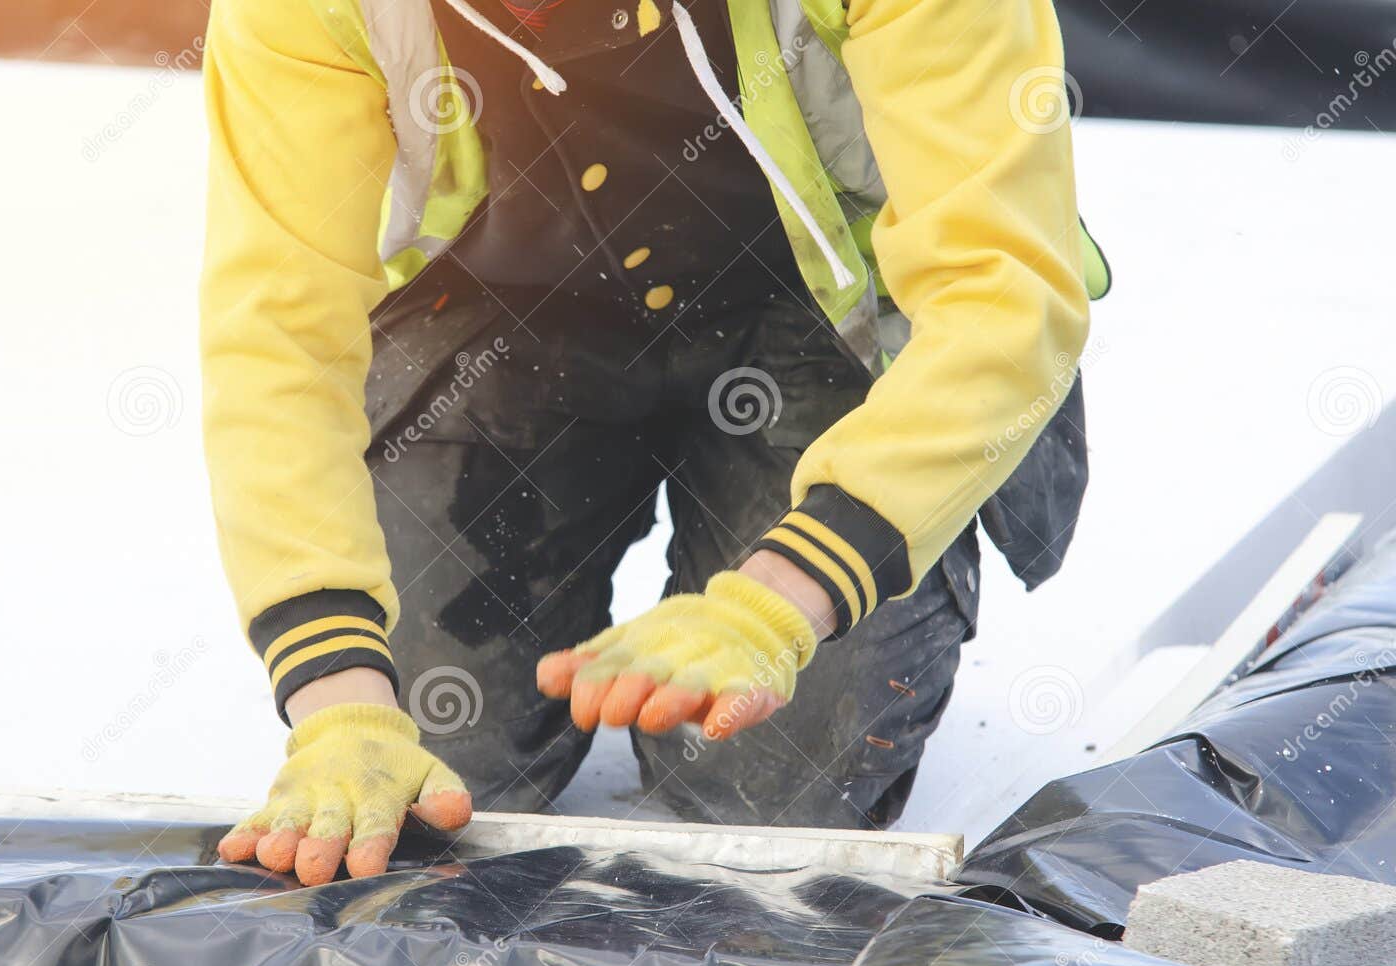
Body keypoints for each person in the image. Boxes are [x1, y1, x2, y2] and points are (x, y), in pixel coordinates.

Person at [199, 0, 1109, 885]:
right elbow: (278, 335)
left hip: (820, 320)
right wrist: (337, 699)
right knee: (435, 765)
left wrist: (783, 597)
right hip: (516, 331)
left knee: (772, 797)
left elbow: (1004, 295)